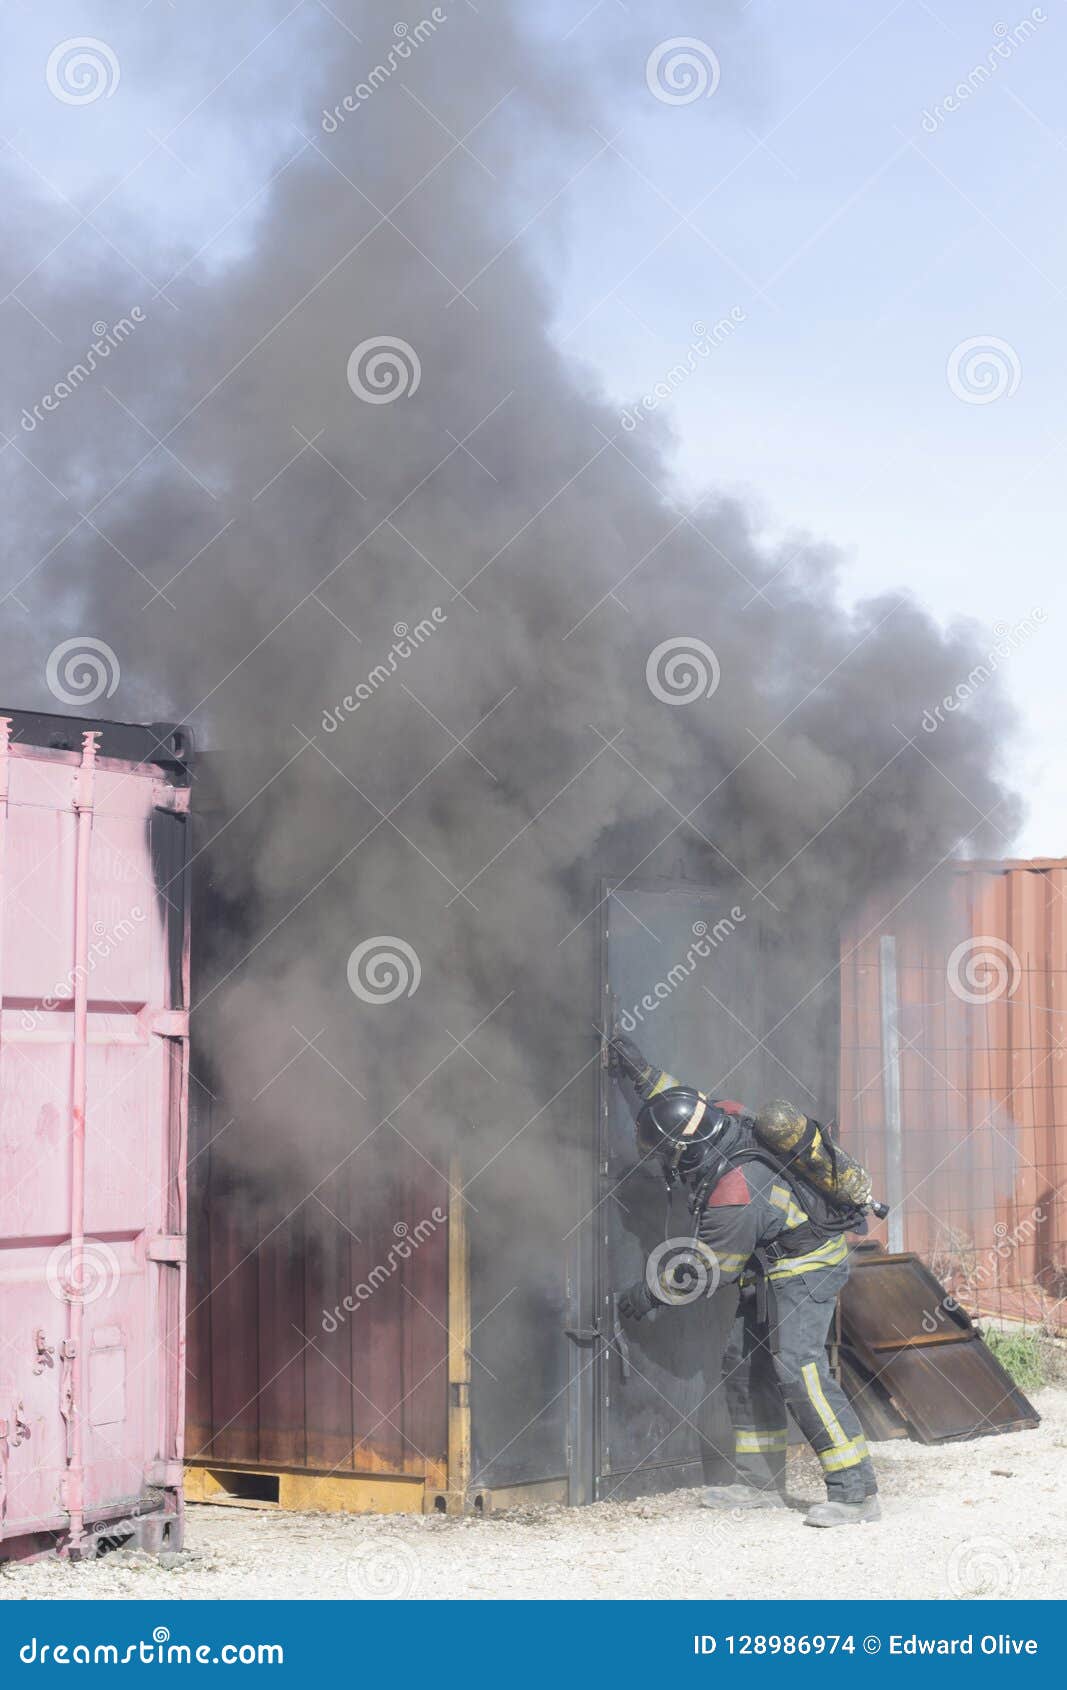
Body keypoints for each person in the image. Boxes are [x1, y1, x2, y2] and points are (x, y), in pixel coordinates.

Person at [608, 1033, 879, 1528]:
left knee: (799, 1369)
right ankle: (759, 1483)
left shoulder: (733, 1192)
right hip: (767, 1266)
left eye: (666, 1156)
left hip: (806, 1267)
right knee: (743, 1362)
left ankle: (855, 1491)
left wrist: (646, 1294)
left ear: (683, 1152)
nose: (665, 1164)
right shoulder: (723, 1115)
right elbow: (680, 1103)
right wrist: (640, 1071)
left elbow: (707, 1270)